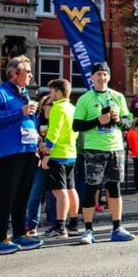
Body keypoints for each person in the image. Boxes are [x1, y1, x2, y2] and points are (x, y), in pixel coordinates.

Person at [0, 56, 43, 255]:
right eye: (27, 72)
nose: (31, 75)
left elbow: (30, 122)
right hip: (10, 151)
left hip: (27, 150)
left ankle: (19, 234)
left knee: (22, 195)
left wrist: (36, 146)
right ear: (14, 73)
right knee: (7, 196)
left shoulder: (25, 94)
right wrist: (20, 112)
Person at [72, 61, 135, 244]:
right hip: (94, 149)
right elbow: (76, 125)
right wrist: (97, 120)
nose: (102, 77)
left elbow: (127, 123)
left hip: (115, 148)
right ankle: (89, 230)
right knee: (92, 188)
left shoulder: (118, 97)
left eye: (105, 74)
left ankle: (117, 228)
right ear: (92, 77)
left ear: (109, 76)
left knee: (114, 188)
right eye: (98, 74)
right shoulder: (85, 99)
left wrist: (117, 119)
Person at [40, 79, 79, 238]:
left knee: (59, 192)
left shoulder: (58, 108)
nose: (50, 95)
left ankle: (60, 227)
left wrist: (47, 154)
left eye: (51, 92)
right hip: (71, 152)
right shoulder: (72, 108)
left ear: (57, 92)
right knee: (71, 190)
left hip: (58, 154)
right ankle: (73, 224)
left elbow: (53, 132)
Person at [25, 94, 55, 236]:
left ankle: (53, 224)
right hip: (39, 160)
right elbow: (29, 136)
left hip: (55, 160)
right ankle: (31, 225)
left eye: (53, 104)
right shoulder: (37, 120)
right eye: (48, 104)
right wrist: (38, 144)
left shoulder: (58, 120)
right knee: (35, 193)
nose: (51, 107)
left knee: (52, 194)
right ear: (43, 106)